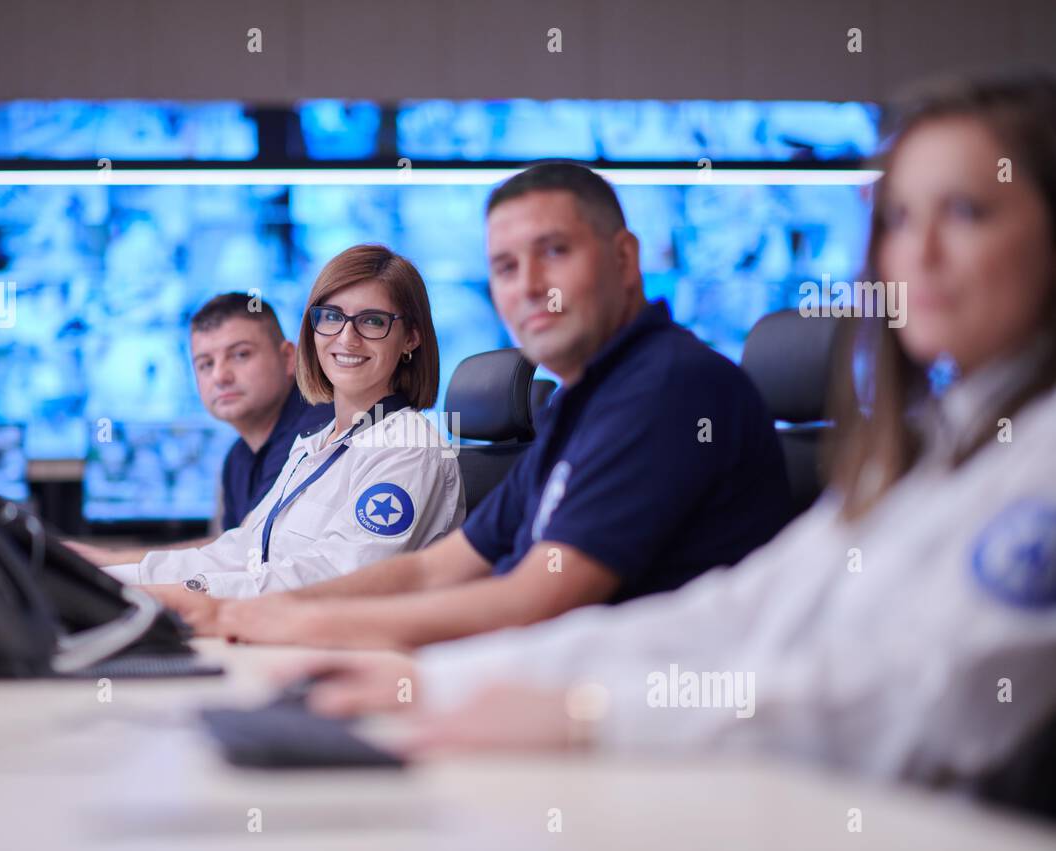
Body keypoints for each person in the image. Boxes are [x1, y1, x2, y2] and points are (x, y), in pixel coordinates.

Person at [283, 75, 1056, 796]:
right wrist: (450, 684)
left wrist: (588, 714)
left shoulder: (1035, 457)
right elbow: (736, 613)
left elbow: (917, 700)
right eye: (897, 219)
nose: (915, 256)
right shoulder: (937, 445)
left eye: (966, 212)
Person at [207, 162, 792, 647]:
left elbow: (537, 600)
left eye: (555, 251)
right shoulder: (576, 407)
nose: (530, 285)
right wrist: (265, 612)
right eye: (506, 267)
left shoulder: (671, 388)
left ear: (624, 258)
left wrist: (302, 622)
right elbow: (433, 570)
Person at [106, 243, 465, 606]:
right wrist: (115, 579)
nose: (346, 338)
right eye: (331, 317)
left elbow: (338, 581)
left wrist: (179, 594)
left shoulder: (408, 447)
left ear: (411, 338)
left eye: (372, 321)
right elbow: (243, 550)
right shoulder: (314, 444)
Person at [70, 292, 331, 566]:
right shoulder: (237, 458)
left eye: (241, 355)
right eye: (206, 364)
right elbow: (228, 556)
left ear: (289, 358)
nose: (220, 376)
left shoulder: (318, 433)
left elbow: (245, 555)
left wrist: (110, 562)